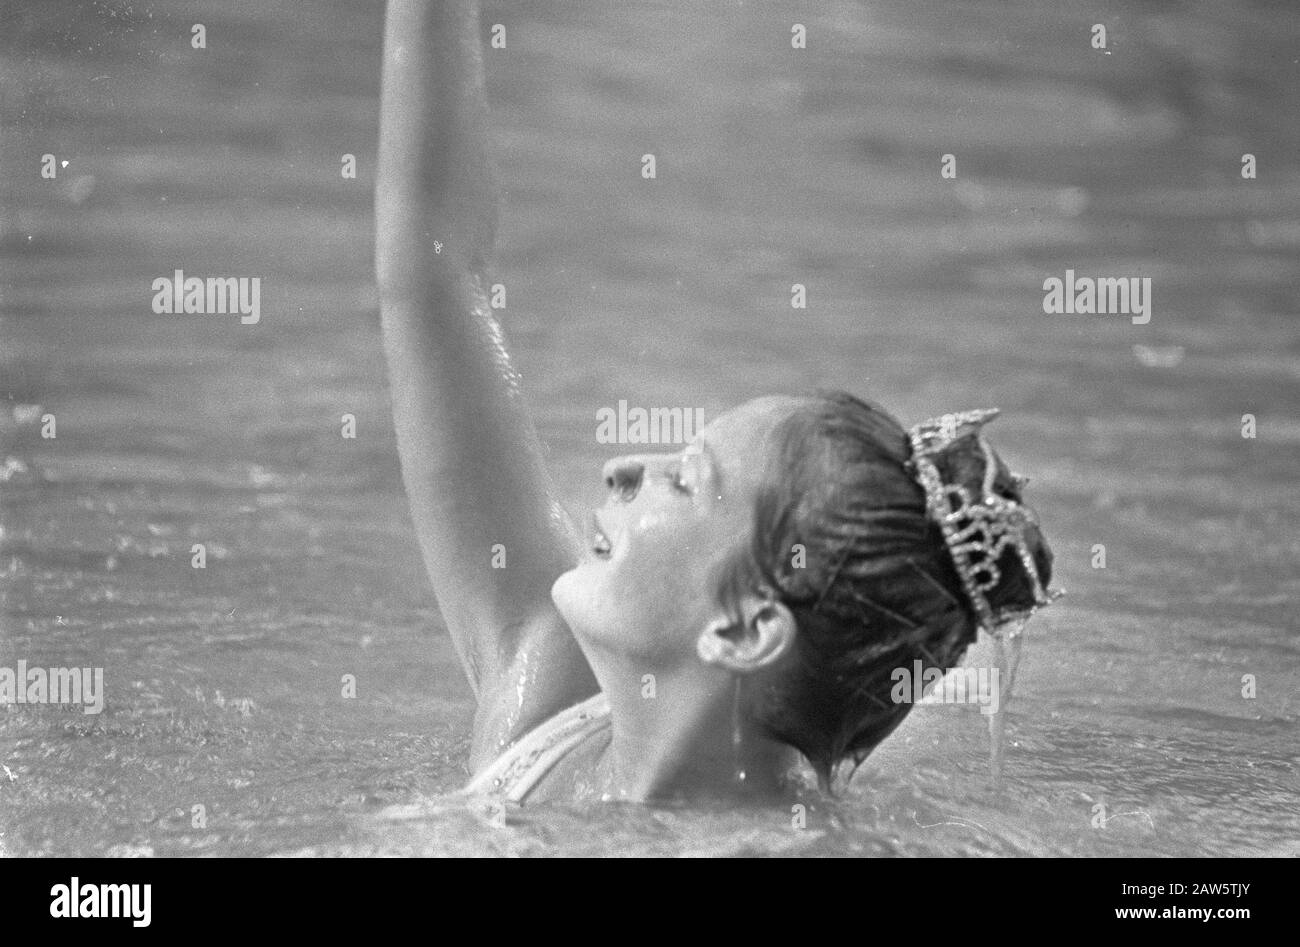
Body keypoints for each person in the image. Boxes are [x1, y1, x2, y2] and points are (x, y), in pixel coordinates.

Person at [374, 0, 1056, 806]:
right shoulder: (546, 701)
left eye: (685, 480)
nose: (624, 465)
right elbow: (434, 269)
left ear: (744, 626)